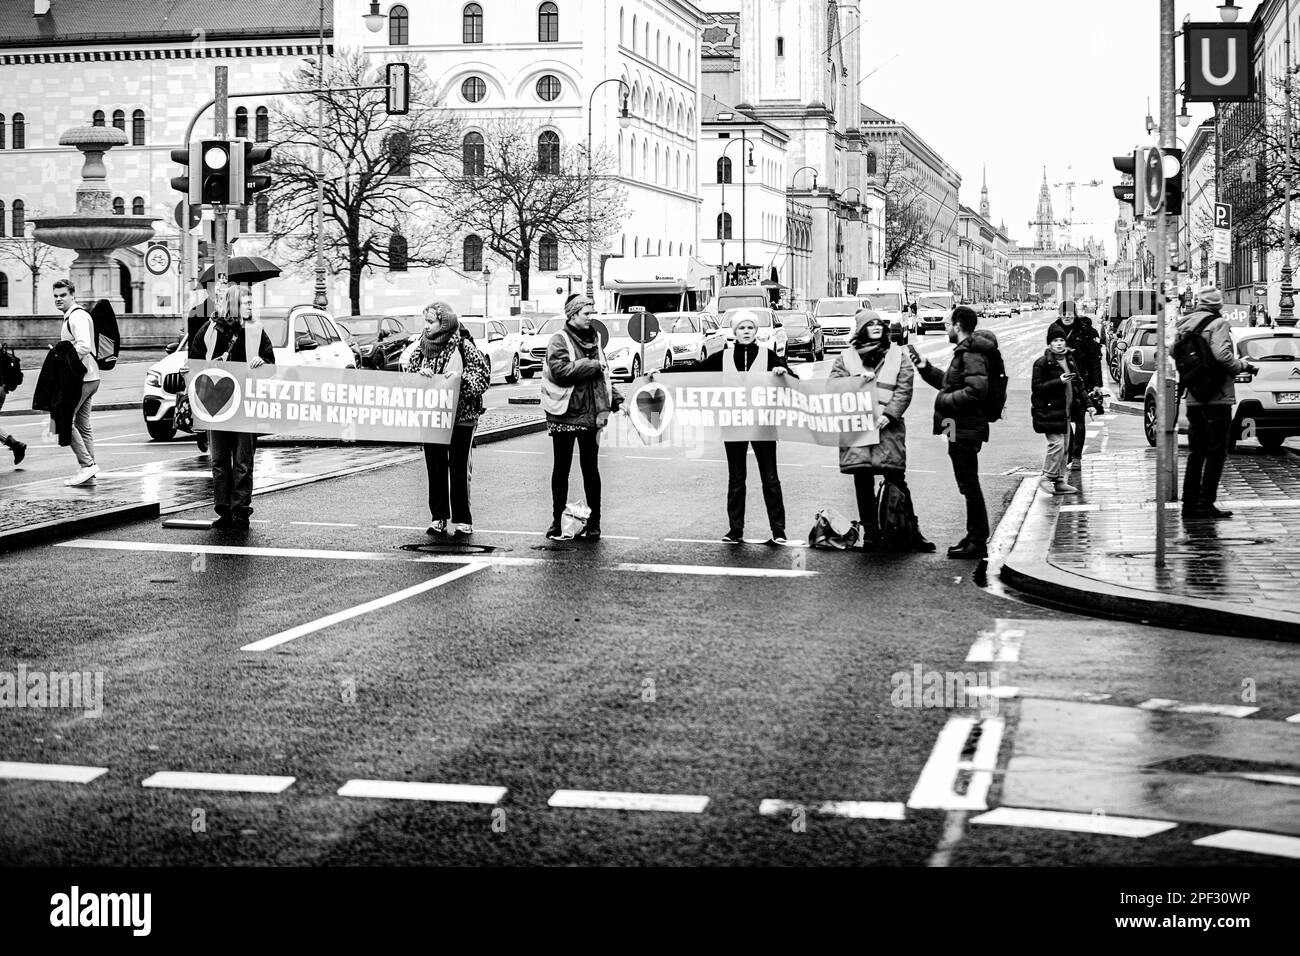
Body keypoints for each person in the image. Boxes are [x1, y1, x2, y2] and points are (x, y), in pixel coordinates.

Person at [828, 309, 933, 551]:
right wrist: (855, 382)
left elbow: (904, 388)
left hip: (888, 429)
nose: (876, 327)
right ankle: (871, 534)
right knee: (862, 482)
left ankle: (911, 531)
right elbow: (833, 388)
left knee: (897, 480)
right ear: (861, 329)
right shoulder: (846, 357)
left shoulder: (898, 355)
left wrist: (890, 414)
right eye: (870, 324)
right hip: (859, 429)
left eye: (879, 324)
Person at [693, 308, 792, 544]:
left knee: (770, 479)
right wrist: (660, 375)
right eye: (741, 328)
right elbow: (694, 370)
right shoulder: (723, 356)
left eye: (750, 328)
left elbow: (793, 380)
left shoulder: (768, 355)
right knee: (736, 479)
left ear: (756, 331)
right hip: (734, 424)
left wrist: (783, 371)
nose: (746, 332)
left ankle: (778, 531)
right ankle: (735, 531)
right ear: (735, 332)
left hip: (763, 425)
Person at [911, 305, 998, 559]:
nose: (946, 327)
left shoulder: (971, 354)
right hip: (959, 426)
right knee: (967, 484)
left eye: (949, 324)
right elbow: (948, 383)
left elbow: (975, 391)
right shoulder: (964, 352)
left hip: (966, 427)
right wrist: (925, 367)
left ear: (958, 326)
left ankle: (978, 540)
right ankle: (973, 536)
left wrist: (943, 401)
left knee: (970, 485)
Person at [187, 286, 275, 529]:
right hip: (216, 406)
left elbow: (271, 367)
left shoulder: (256, 331)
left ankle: (240, 511)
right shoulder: (209, 331)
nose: (250, 306)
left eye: (251, 302)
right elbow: (193, 364)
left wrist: (263, 363)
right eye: (246, 302)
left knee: (243, 460)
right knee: (220, 460)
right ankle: (224, 509)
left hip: (246, 406)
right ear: (234, 304)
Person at [401, 301, 490, 536]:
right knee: (435, 467)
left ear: (445, 323)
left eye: (431, 322)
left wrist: (459, 379)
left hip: (461, 417)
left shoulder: (464, 345)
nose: (426, 327)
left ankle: (463, 519)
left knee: (459, 468)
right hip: (432, 416)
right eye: (425, 321)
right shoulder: (421, 347)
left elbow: (482, 378)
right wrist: (420, 376)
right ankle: (438, 517)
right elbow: (407, 378)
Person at [543, 295, 623, 540]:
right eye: (587, 313)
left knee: (591, 470)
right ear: (573, 314)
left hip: (590, 416)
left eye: (592, 312)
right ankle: (557, 521)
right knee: (561, 469)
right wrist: (590, 364)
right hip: (564, 415)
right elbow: (561, 372)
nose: (591, 317)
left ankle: (594, 523)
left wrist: (616, 398)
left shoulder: (594, 339)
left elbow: (602, 375)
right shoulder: (559, 339)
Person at [1178, 287, 1257, 519]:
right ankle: (1205, 502)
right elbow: (1222, 355)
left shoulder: (1185, 323)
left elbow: (1174, 351)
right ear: (1218, 304)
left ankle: (1189, 504)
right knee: (1216, 452)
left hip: (1194, 395)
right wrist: (1241, 365)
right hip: (1217, 396)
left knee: (1196, 451)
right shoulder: (1219, 323)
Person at [51, 278, 100, 486]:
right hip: (91, 377)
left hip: (81, 378)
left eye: (63, 295)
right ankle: (90, 471)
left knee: (64, 419)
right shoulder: (75, 315)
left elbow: (84, 346)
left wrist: (63, 360)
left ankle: (87, 466)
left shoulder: (76, 316)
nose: (58, 299)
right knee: (82, 424)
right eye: (55, 296)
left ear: (73, 295)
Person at [1031, 328, 1084, 496]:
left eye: (1061, 340)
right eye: (1055, 341)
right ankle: (1046, 477)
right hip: (1049, 411)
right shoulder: (1042, 363)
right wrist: (1058, 381)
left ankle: (1060, 481)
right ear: (1049, 344)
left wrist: (1088, 404)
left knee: (1065, 448)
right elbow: (1037, 388)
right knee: (1057, 444)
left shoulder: (1070, 361)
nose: (1059, 344)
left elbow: (1078, 385)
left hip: (1066, 412)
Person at [1048, 306, 1101, 471]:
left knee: (1079, 419)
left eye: (1070, 313)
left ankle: (1076, 456)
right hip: (1060, 383)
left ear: (1075, 314)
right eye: (1063, 313)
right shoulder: (1054, 330)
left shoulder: (1085, 331)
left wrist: (1097, 384)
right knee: (1064, 420)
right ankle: (1068, 452)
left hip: (1081, 381)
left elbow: (1094, 359)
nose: (1066, 316)